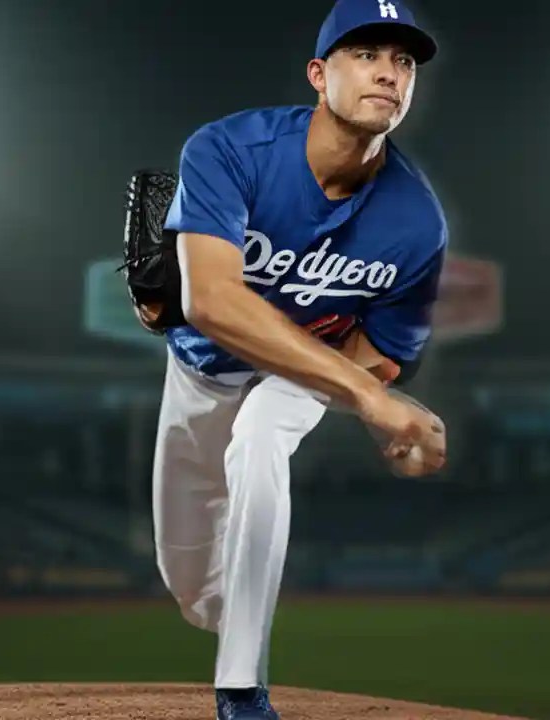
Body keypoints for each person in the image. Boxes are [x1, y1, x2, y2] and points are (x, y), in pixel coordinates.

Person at [152, 1, 446, 717]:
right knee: (189, 581)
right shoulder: (229, 150)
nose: (389, 72)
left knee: (260, 443)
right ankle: (229, 606)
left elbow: (380, 353)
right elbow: (213, 304)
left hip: (309, 367)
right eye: (367, 53)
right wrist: (375, 403)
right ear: (319, 74)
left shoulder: (418, 222)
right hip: (200, 367)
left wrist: (372, 403)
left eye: (403, 61)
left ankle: (241, 687)